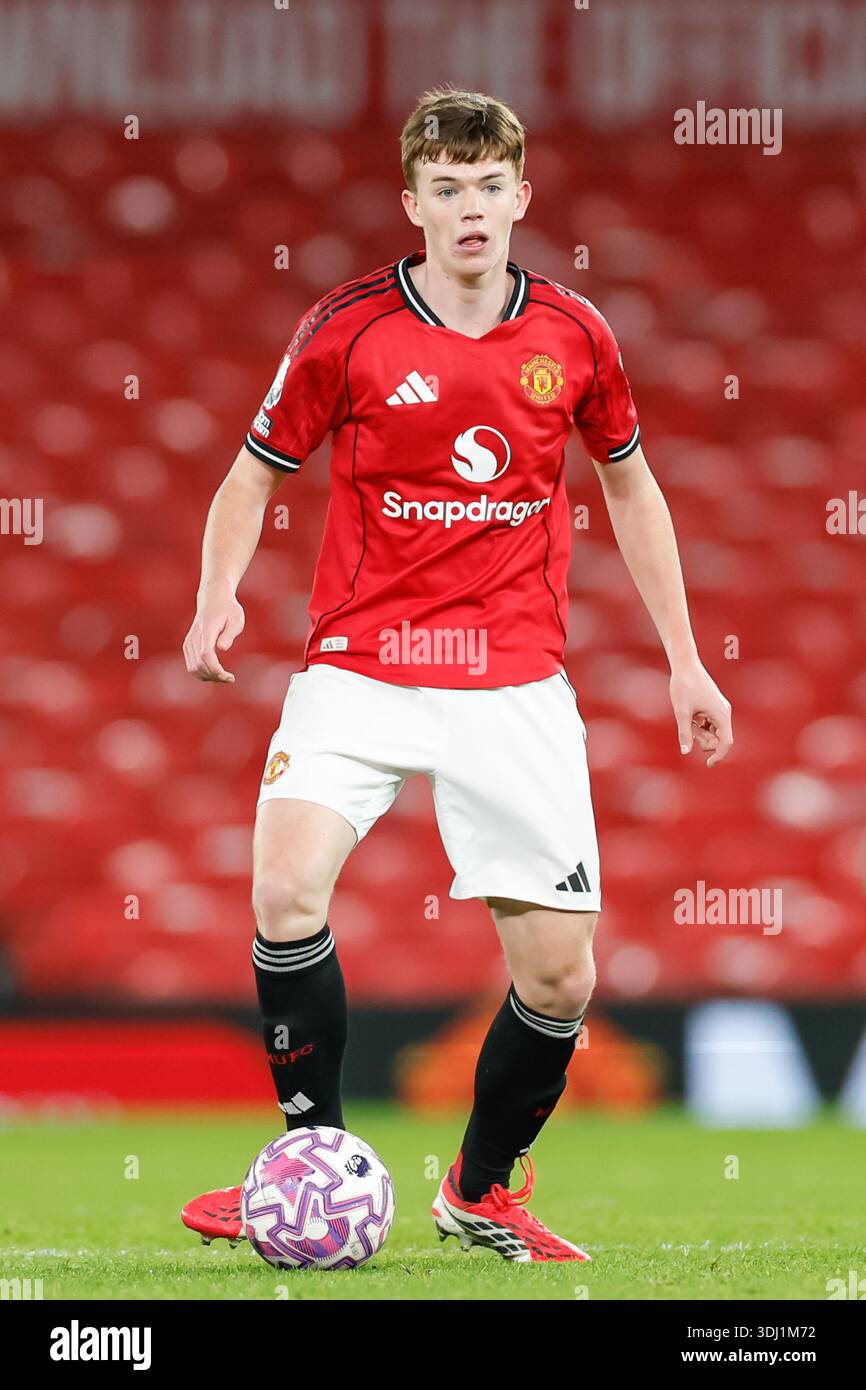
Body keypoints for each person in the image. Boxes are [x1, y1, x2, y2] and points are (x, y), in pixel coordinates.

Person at [180, 86, 733, 1263]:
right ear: (412, 203)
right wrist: (217, 589)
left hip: (510, 679)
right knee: (282, 893)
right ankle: (305, 1157)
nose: (470, 208)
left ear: (521, 198)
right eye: (447, 188)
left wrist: (686, 658)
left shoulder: (574, 337)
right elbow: (251, 472)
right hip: (361, 666)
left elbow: (630, 487)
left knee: (561, 976)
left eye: (490, 188)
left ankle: (478, 1188)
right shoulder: (346, 328)